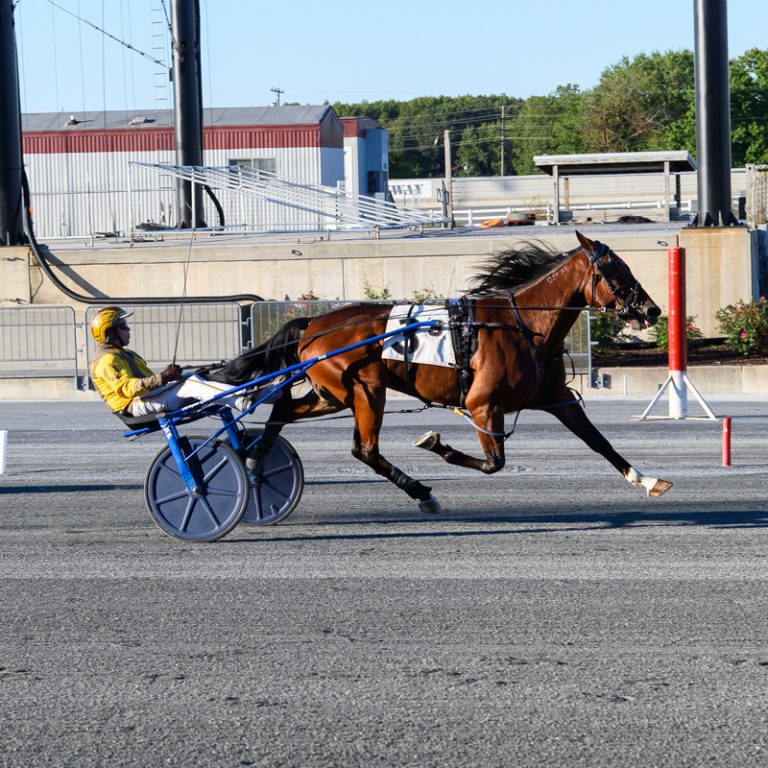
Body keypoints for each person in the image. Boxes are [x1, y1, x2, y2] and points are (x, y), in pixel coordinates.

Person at [89, 305, 253, 418]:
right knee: (190, 384)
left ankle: (251, 391)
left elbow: (149, 383)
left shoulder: (124, 353)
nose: (128, 329)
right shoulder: (107, 359)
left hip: (145, 398)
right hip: (134, 405)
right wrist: (163, 378)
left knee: (194, 376)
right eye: (123, 326)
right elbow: (126, 388)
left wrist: (168, 376)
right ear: (110, 332)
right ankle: (240, 400)